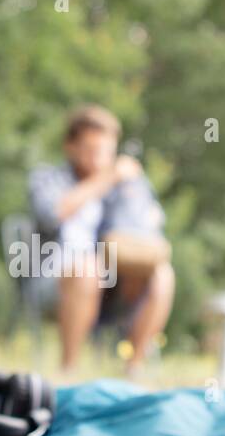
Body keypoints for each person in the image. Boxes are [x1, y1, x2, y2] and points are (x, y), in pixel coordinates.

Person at [28, 105, 175, 377]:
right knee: (87, 268)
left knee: (162, 275)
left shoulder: (124, 184)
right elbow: (52, 214)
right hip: (54, 281)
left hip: (110, 286)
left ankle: (133, 368)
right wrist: (106, 178)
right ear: (70, 146)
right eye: (91, 150)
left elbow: (150, 225)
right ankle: (68, 371)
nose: (100, 159)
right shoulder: (47, 177)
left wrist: (134, 189)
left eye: (107, 152)